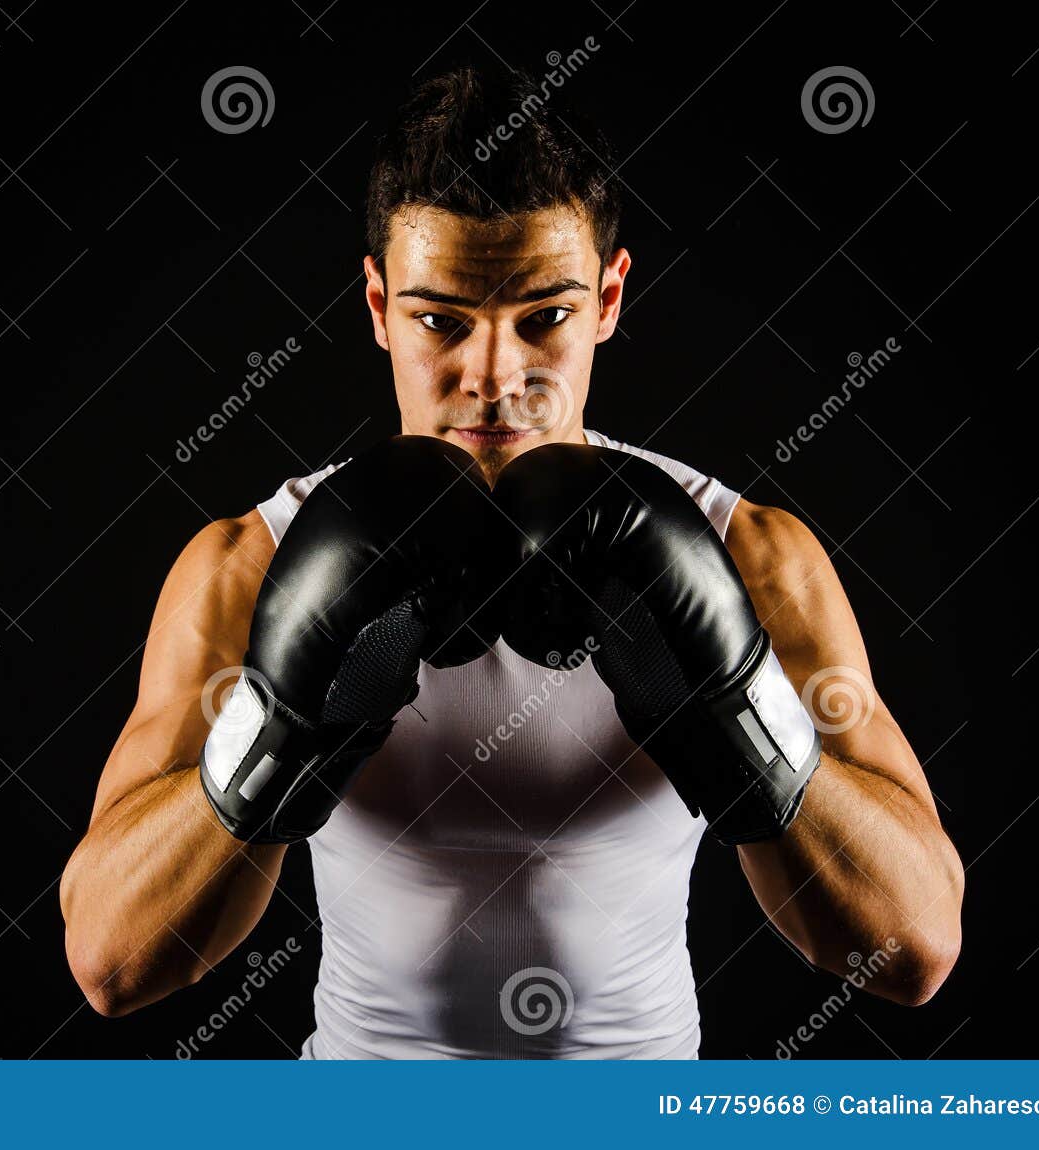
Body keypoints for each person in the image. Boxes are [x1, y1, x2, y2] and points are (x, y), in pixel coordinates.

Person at [60, 65, 963, 1058]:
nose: (493, 375)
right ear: (376, 306)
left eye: (545, 316)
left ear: (610, 297)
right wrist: (279, 719)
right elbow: (113, 960)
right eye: (440, 320)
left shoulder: (745, 553)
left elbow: (913, 945)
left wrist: (736, 712)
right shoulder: (252, 562)